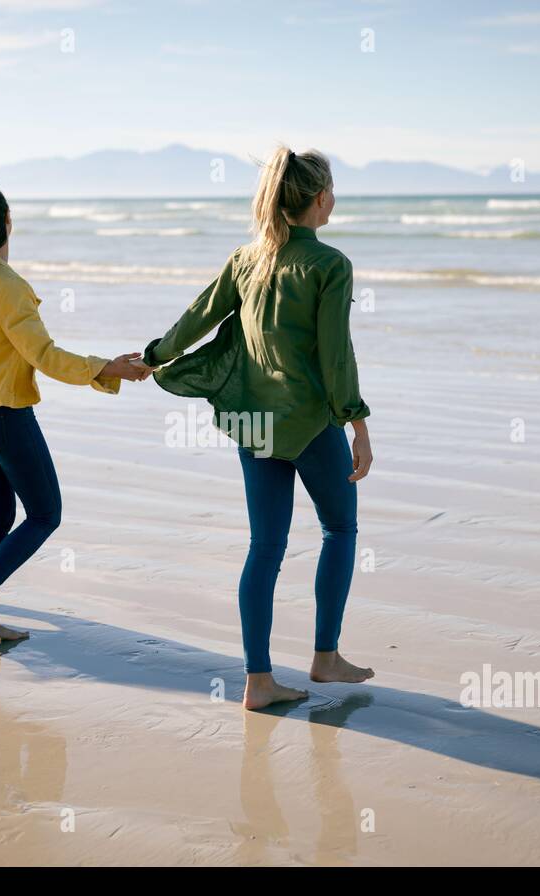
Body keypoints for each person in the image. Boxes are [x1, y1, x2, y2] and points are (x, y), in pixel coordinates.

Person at [141, 147, 375, 710]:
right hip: (308, 422)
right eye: (333, 190)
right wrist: (358, 421)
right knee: (339, 530)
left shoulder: (247, 258)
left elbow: (198, 316)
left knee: (265, 547)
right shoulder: (329, 265)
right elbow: (334, 355)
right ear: (320, 199)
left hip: (254, 423)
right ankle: (325, 656)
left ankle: (258, 680)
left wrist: (153, 355)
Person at [0, 180, 149, 646]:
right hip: (3, 416)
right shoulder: (8, 285)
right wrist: (107, 369)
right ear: (7, 224)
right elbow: (42, 355)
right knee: (45, 513)